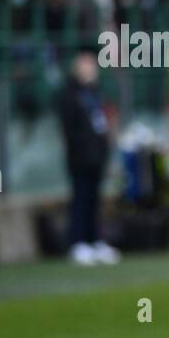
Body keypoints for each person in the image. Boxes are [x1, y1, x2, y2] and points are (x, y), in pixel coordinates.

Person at [58, 51, 121, 265]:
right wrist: (78, 153)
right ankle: (78, 242)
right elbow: (69, 130)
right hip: (80, 158)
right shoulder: (70, 95)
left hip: (97, 157)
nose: (91, 70)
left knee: (94, 200)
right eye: (86, 66)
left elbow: (102, 124)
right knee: (80, 199)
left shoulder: (95, 94)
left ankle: (95, 240)